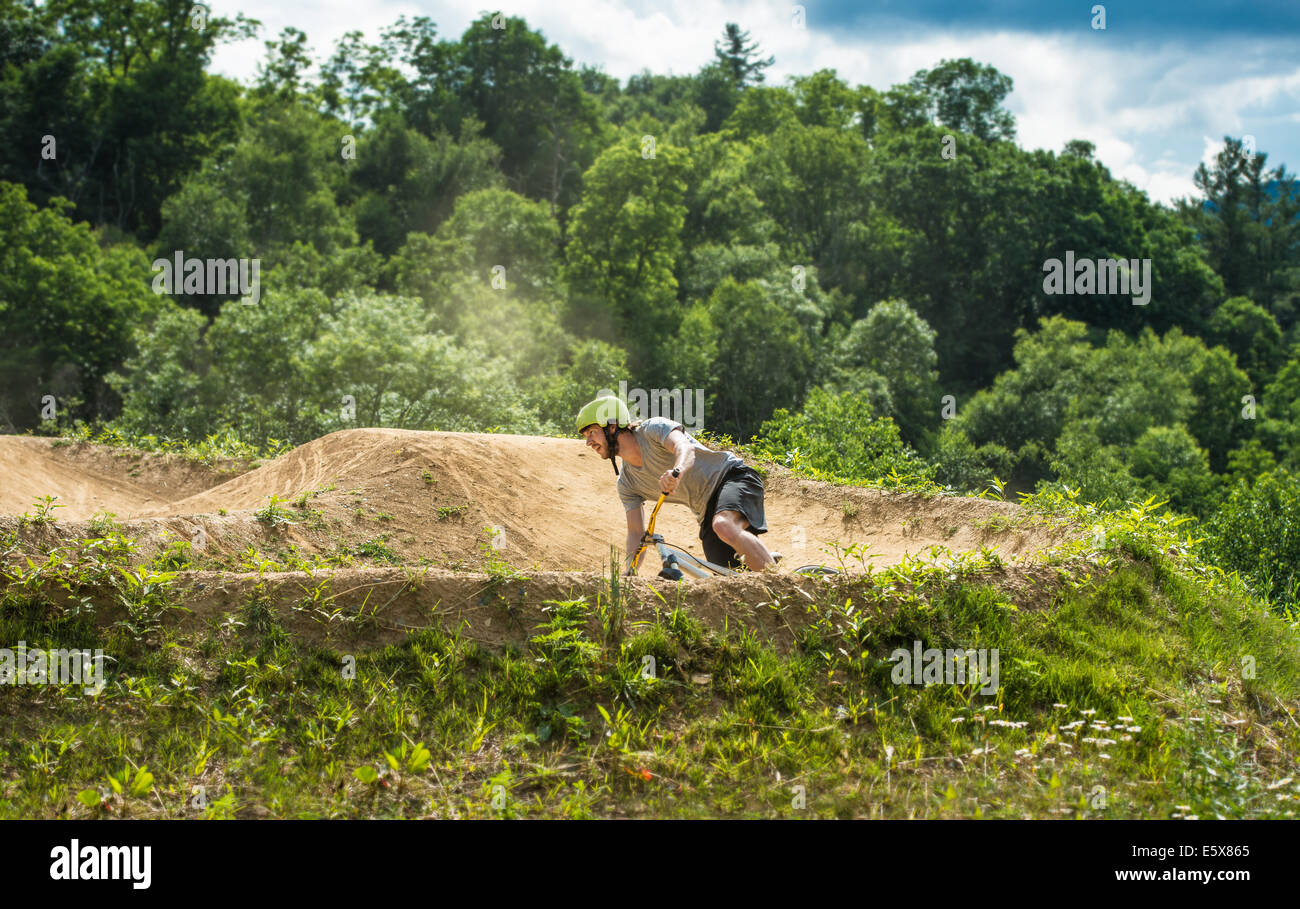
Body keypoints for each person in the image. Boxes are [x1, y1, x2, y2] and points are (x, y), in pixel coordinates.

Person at [575, 395, 777, 574]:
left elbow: (685, 447)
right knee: (728, 578)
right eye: (586, 436)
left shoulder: (653, 429)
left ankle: (782, 583)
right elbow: (636, 533)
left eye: (592, 432)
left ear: (612, 427)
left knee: (724, 525)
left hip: (732, 477)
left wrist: (677, 471)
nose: (588, 442)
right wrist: (629, 574)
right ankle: (767, 560)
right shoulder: (627, 484)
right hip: (706, 512)